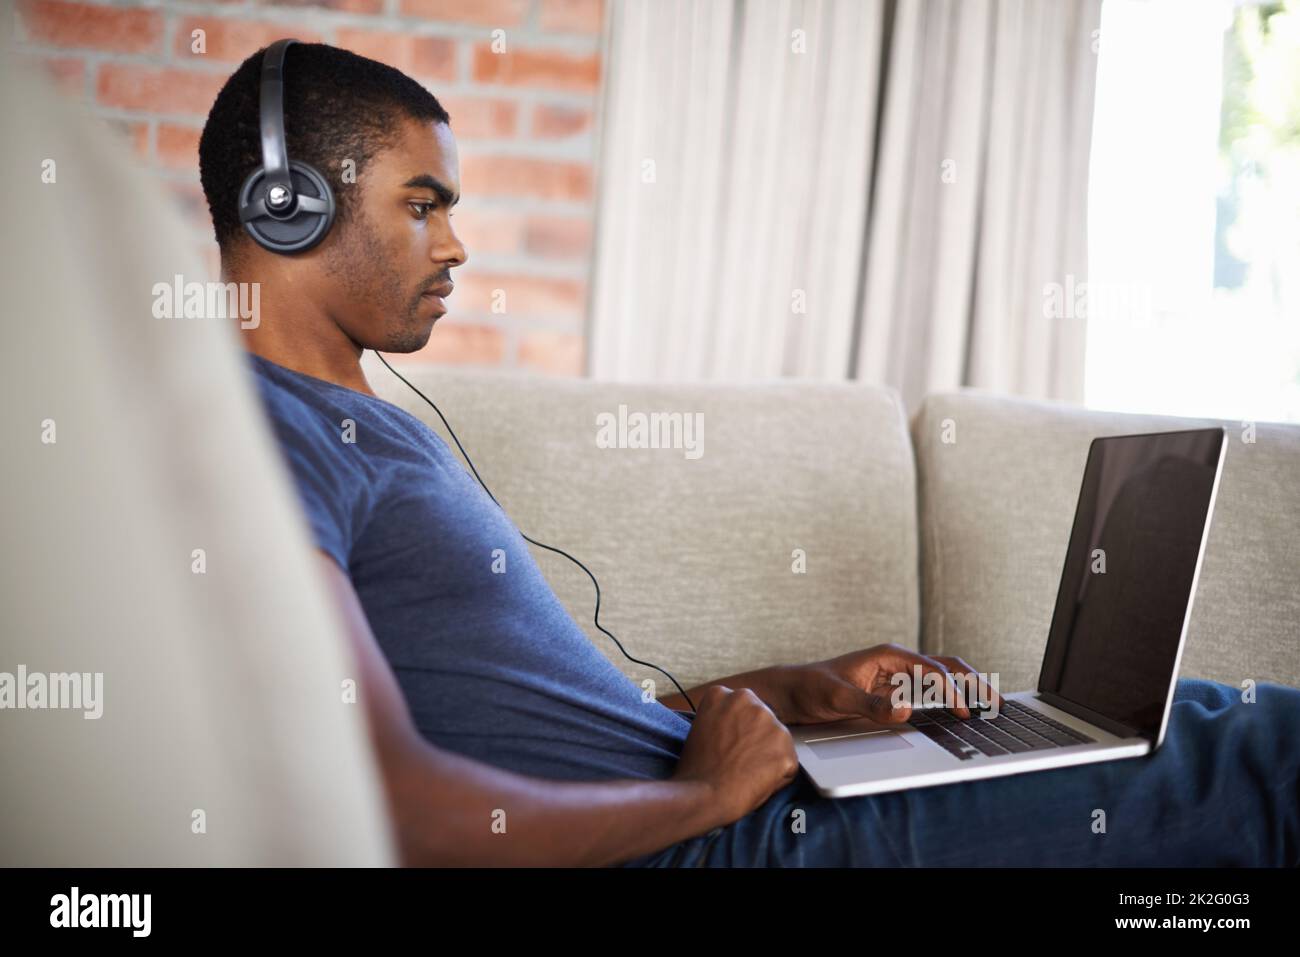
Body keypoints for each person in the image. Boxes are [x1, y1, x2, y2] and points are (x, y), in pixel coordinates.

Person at [198, 43, 1300, 867]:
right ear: (289, 208)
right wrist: (708, 802)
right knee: (1248, 751)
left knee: (1208, 719)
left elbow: (543, 734)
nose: (456, 243)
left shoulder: (356, 424)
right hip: (716, 848)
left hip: (719, 812)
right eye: (422, 205)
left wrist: (797, 695)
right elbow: (395, 808)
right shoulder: (264, 433)